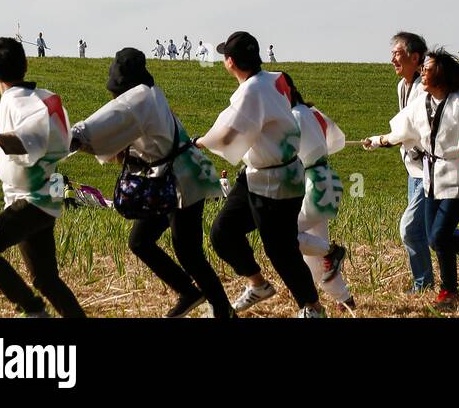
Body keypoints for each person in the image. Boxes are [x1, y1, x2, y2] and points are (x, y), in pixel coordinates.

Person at [71, 46, 232, 319]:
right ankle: (191, 293)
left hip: (183, 181)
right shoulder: (149, 93)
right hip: (169, 180)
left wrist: (59, 141)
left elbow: (89, 132)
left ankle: (223, 312)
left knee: (188, 252)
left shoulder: (135, 101)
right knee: (141, 241)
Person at [200, 31, 324, 317]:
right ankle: (258, 285)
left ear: (229, 62)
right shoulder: (273, 77)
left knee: (281, 251)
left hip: (275, 181)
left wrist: (202, 141)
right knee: (223, 233)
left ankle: (312, 307)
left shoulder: (251, 91)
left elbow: (228, 132)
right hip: (254, 175)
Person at [0, 36, 84, 318]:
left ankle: (32, 309)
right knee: (45, 279)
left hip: (32, 198)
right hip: (43, 194)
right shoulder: (41, 97)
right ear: (27, 65)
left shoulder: (19, 103)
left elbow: (31, 140)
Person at [365, 48, 459, 307]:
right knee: (432, 238)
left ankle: (449, 289)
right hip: (432, 179)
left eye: (428, 69)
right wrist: (376, 141)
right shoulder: (421, 104)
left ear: (441, 73)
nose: (423, 73)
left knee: (439, 236)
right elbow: (401, 132)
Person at [280, 72, 353, 310]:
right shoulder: (313, 112)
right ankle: (343, 298)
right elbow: (338, 140)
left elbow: (284, 153)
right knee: (313, 248)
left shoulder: (291, 117)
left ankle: (331, 253)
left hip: (309, 184)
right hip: (325, 179)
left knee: (284, 235)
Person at [388, 31, 434, 292]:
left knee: (410, 229)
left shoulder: (422, 89)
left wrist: (386, 139)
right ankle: (425, 281)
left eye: (398, 54)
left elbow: (410, 128)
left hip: (428, 169)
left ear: (415, 57)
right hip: (413, 169)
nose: (393, 59)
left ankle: (422, 284)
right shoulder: (402, 87)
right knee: (427, 231)